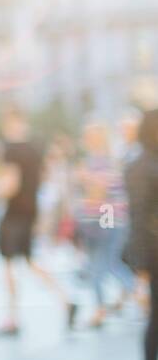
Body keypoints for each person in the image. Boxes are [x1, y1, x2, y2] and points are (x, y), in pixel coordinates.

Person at [0, 106, 76, 336]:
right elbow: (44, 176)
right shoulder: (36, 147)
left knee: (9, 264)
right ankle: (65, 300)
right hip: (31, 210)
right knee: (29, 261)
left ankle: (12, 318)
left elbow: (11, 184)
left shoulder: (10, 149)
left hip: (13, 213)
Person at [73, 121, 134, 328]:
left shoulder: (104, 161)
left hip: (107, 219)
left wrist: (85, 179)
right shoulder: (96, 160)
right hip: (97, 220)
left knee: (105, 264)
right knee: (101, 265)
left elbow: (99, 191)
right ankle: (104, 306)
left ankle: (135, 294)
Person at [125, 109, 158, 360]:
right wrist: (142, 267)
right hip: (153, 250)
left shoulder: (136, 165)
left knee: (155, 319)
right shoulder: (143, 166)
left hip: (149, 251)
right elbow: (139, 216)